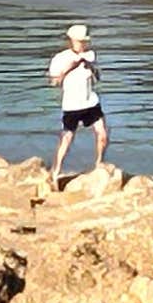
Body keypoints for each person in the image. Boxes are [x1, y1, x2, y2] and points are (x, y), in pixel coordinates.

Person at [48, 24, 108, 186]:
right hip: (72, 105)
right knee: (67, 138)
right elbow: (55, 82)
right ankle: (56, 171)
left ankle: (99, 165)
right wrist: (70, 67)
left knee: (102, 134)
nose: (83, 45)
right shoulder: (61, 58)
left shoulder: (90, 55)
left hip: (91, 102)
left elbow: (98, 78)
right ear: (71, 41)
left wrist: (92, 68)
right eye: (79, 42)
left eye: (85, 42)